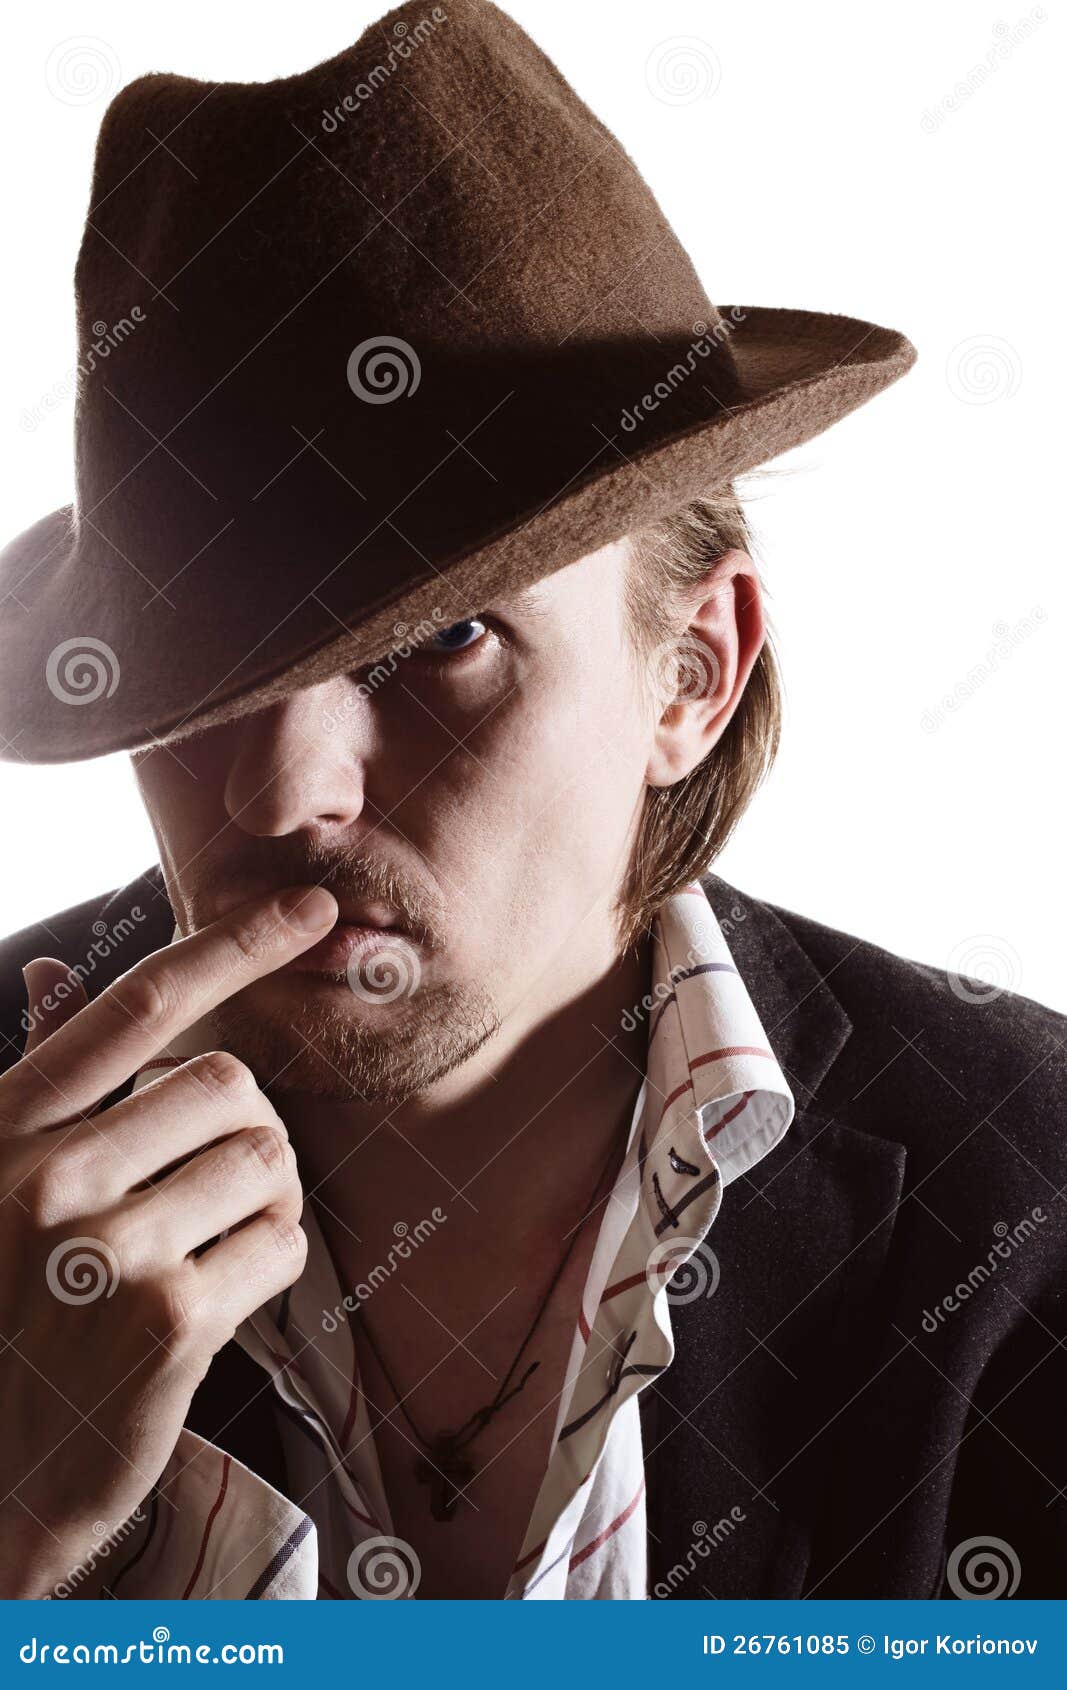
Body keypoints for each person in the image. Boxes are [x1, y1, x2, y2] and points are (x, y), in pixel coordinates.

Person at [0, 1, 1062, 1601]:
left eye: (442, 640)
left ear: (691, 673)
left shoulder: (1023, 1193)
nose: (280, 790)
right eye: (198, 660)